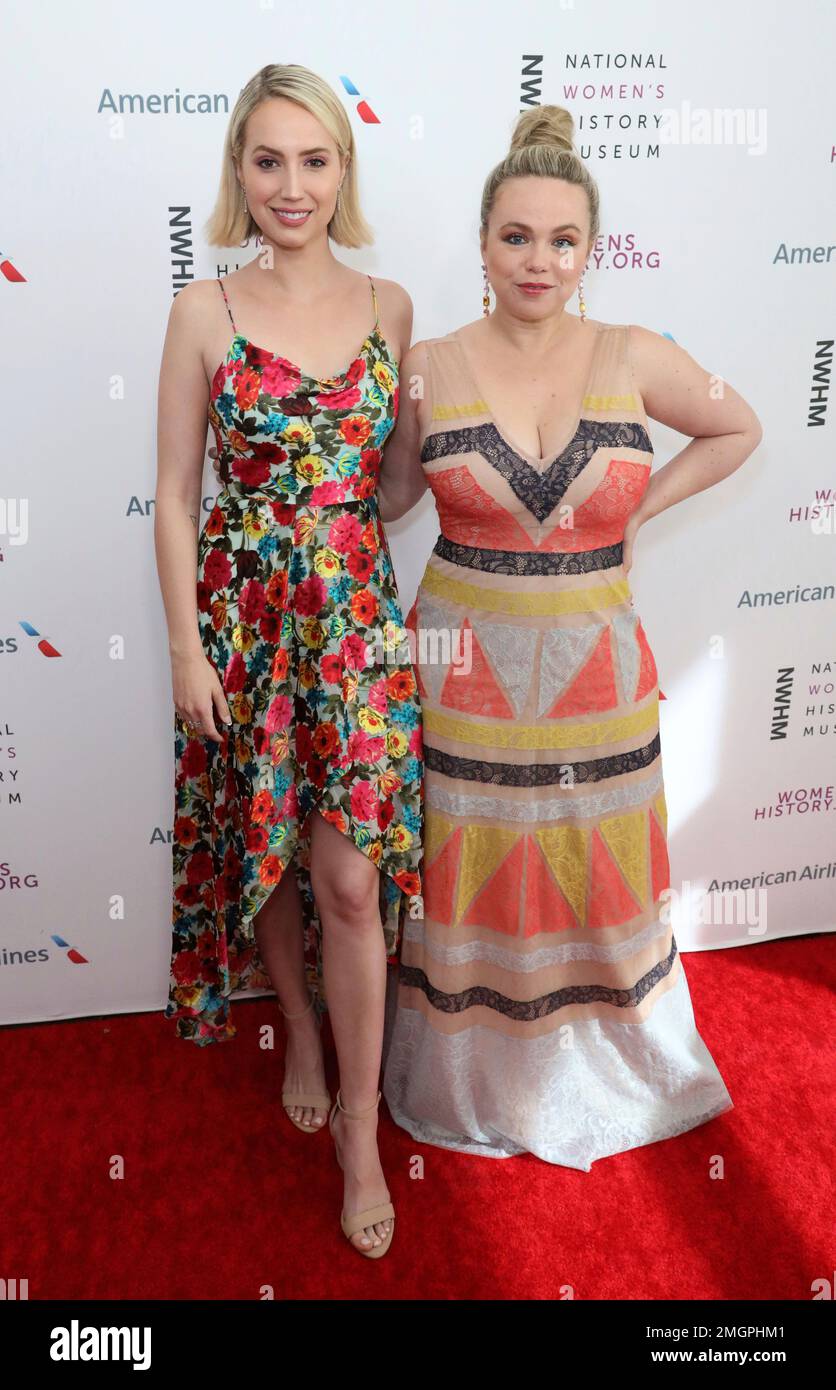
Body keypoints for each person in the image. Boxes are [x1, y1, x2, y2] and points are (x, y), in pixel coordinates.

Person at [376, 105, 762, 1170]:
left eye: (560, 239)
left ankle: (612, 1060)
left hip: (598, 671)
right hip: (457, 673)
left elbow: (738, 424)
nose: (536, 260)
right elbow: (391, 498)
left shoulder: (633, 352)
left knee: (596, 875)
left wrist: (640, 509)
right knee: (468, 872)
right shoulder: (427, 363)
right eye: (514, 236)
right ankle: (467, 1076)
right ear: (482, 244)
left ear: (589, 250)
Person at [155, 63, 423, 1257]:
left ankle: (357, 1131)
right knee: (267, 852)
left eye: (314, 160)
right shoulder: (202, 311)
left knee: (352, 880)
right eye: (268, 161)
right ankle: (302, 1037)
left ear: (343, 171)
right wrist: (182, 646)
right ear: (238, 174)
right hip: (244, 626)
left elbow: (401, 475)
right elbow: (170, 496)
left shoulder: (392, 307)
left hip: (356, 623)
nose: (291, 185)